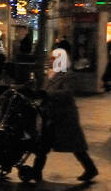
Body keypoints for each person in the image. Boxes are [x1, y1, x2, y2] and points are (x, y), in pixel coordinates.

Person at [33, 48, 98, 182]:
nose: (51, 60)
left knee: (75, 145)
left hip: (64, 116)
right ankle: (36, 171)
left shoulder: (67, 75)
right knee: (43, 144)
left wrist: (48, 94)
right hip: (51, 115)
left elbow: (67, 93)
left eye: (54, 58)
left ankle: (90, 168)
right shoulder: (50, 74)